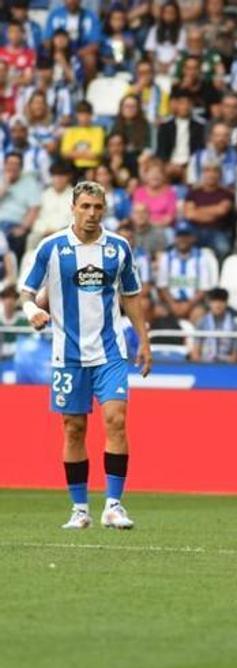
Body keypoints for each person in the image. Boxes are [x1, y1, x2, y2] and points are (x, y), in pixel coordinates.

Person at [19, 181, 151, 530]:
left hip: (110, 351)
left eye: (97, 207)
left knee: (116, 421)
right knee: (74, 428)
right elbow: (26, 292)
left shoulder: (119, 247)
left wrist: (144, 341)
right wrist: (32, 310)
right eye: (86, 206)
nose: (92, 213)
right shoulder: (52, 248)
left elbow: (132, 295)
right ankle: (80, 509)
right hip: (69, 354)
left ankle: (113, 505)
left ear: (104, 209)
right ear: (73, 208)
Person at [157, 223, 219, 320]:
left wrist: (188, 305)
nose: (182, 240)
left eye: (186, 236)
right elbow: (162, 287)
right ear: (175, 238)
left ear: (193, 238)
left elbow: (204, 289)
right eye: (179, 236)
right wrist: (173, 304)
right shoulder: (167, 257)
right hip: (171, 303)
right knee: (158, 312)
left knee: (199, 314)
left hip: (193, 304)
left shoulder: (201, 257)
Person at [191, 287, 237, 363]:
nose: (218, 305)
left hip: (227, 366)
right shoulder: (202, 323)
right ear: (209, 303)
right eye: (215, 301)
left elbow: (235, 357)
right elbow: (195, 354)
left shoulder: (235, 325)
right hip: (205, 365)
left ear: (227, 303)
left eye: (222, 301)